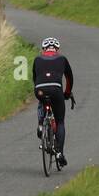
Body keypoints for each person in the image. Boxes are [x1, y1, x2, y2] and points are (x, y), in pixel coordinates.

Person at [33, 37, 75, 169]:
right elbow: (69, 78)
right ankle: (60, 154)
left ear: (43, 49)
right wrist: (67, 93)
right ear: (57, 49)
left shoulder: (37, 59)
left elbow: (35, 78)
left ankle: (41, 124)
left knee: (42, 101)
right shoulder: (62, 59)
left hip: (39, 89)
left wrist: (40, 90)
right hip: (56, 90)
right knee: (60, 121)